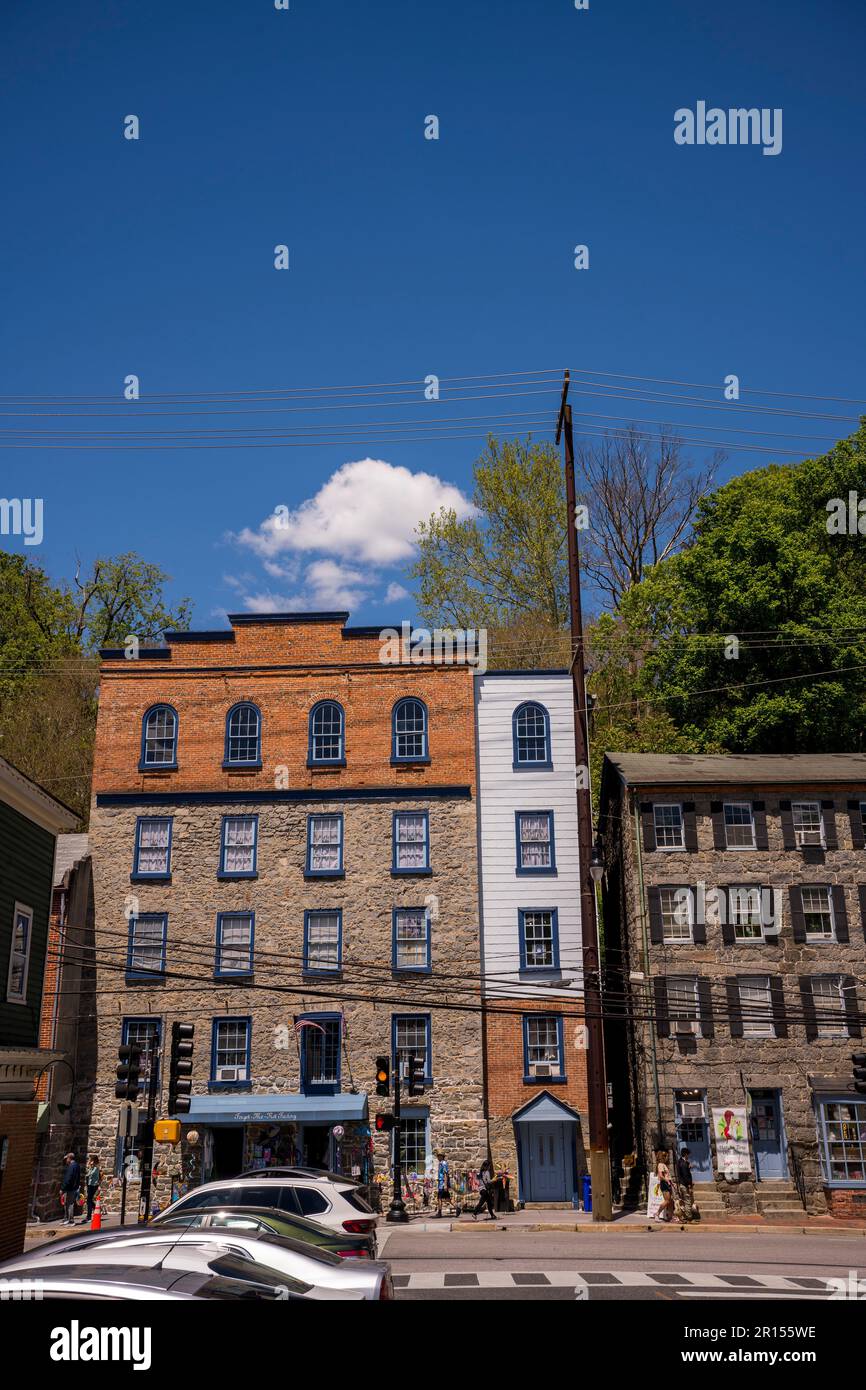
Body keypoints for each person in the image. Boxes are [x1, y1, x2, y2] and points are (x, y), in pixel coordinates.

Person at [61, 1152, 81, 1225]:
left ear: (69, 1158)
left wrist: (62, 1188)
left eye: (66, 1159)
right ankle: (66, 1219)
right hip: (74, 1187)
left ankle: (71, 1220)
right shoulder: (77, 1165)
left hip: (70, 1188)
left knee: (70, 1204)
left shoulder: (71, 1166)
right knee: (68, 1203)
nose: (66, 1160)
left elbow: (68, 1178)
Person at [675, 1147, 695, 1220]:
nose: (688, 1156)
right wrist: (689, 1185)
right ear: (685, 1154)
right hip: (685, 1184)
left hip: (682, 1184)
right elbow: (685, 1175)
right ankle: (689, 1217)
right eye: (688, 1154)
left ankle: (683, 1216)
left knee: (685, 1201)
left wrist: (688, 1167)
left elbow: (683, 1171)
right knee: (688, 1201)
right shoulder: (683, 1164)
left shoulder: (680, 1161)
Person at [654, 1151, 674, 1223]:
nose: (666, 1157)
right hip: (664, 1184)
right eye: (665, 1156)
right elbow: (661, 1176)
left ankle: (670, 1217)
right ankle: (657, 1214)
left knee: (671, 1201)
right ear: (662, 1157)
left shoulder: (663, 1165)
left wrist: (671, 1183)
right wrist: (667, 1181)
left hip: (667, 1183)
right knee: (667, 1201)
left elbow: (667, 1176)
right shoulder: (660, 1165)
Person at [85, 1153, 101, 1222]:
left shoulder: (96, 1168)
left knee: (89, 1200)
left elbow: (89, 1174)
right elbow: (87, 1174)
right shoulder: (92, 1168)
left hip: (93, 1186)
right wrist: (90, 1167)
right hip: (90, 1185)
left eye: (90, 1160)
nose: (89, 1161)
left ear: (93, 1161)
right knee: (89, 1200)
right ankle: (97, 1210)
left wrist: (89, 1166)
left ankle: (89, 1217)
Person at [435, 1150, 450, 1217]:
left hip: (442, 1184)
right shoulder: (441, 1163)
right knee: (447, 1198)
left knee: (439, 1198)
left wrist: (445, 1184)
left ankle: (439, 1212)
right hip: (441, 1183)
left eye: (439, 1156)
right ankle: (457, 1208)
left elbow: (445, 1174)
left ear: (442, 1156)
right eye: (437, 1156)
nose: (438, 1157)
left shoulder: (443, 1163)